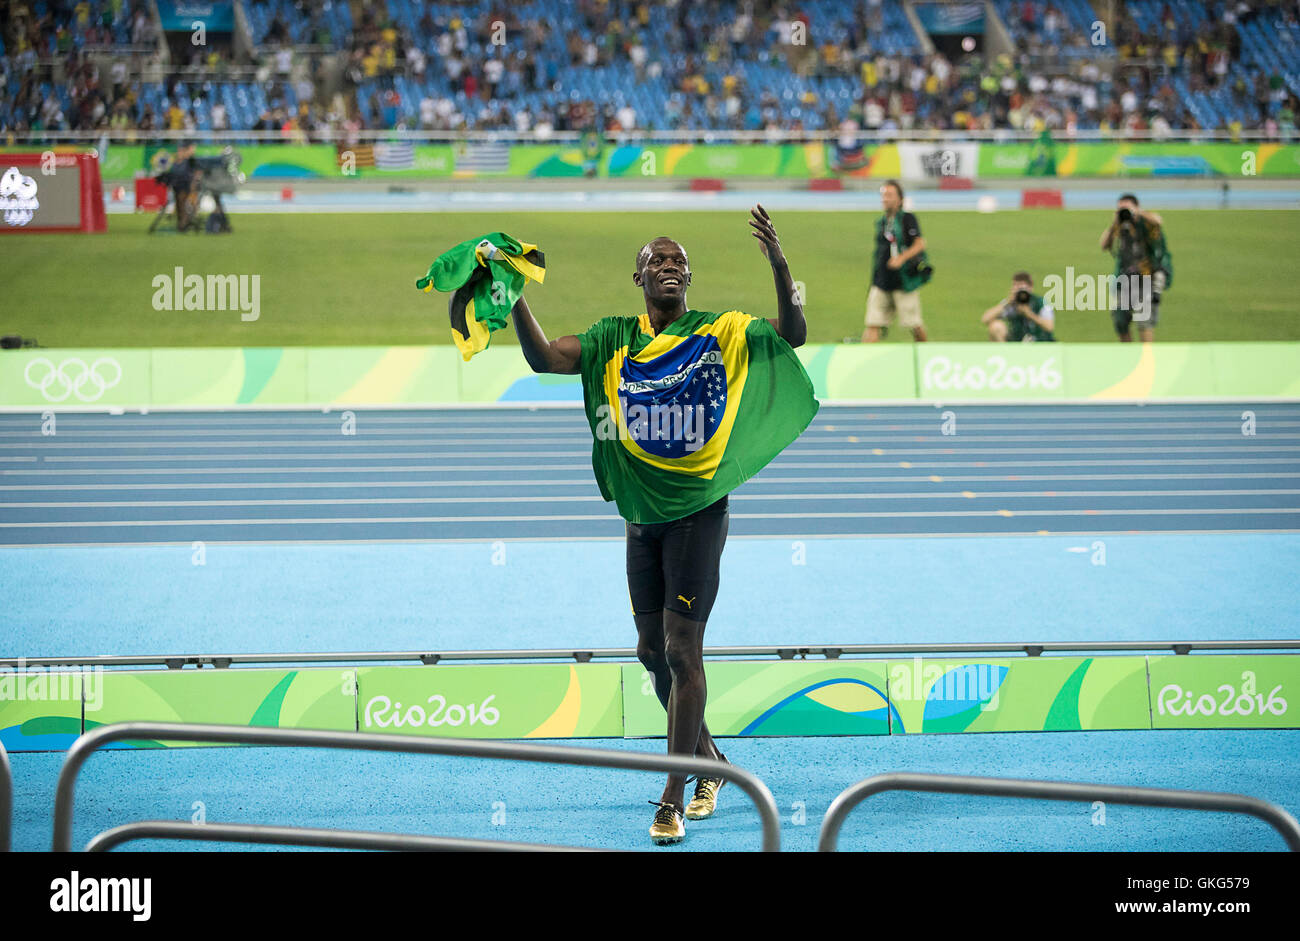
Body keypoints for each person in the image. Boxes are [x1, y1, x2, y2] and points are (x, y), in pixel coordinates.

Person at [464, 206, 817, 845]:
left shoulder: (720, 332)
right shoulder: (611, 340)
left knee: (684, 649)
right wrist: (512, 294)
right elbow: (545, 359)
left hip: (698, 513)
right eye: (657, 261)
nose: (670, 268)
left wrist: (780, 265)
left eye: (679, 261)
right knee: (651, 653)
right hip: (641, 517)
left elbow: (791, 334)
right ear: (639, 278)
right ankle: (712, 763)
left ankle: (672, 796)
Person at [863, 179, 931, 342]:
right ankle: (864, 361)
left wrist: (901, 258)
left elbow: (920, 244)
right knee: (872, 324)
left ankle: (926, 355)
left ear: (900, 199)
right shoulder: (882, 222)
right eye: (884, 195)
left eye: (890, 195)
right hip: (881, 282)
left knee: (914, 325)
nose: (885, 198)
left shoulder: (907, 219)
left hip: (903, 283)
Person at [1099, 193, 1173, 342]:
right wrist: (1115, 222)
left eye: (1126, 208)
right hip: (1125, 278)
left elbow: (1158, 221)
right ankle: (1128, 357)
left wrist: (1137, 213)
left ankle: (1147, 358)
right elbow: (1104, 245)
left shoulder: (1146, 221)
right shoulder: (1120, 225)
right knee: (1120, 319)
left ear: (1137, 207)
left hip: (1147, 277)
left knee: (1144, 319)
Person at [980, 271, 1056, 342]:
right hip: (1017, 340)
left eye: (1021, 288)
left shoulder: (1041, 302)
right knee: (995, 326)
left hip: (1040, 342)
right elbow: (985, 319)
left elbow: (1049, 327)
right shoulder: (1010, 303)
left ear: (1030, 288)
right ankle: (1005, 354)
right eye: (1016, 287)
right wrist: (1007, 302)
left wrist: (1029, 314)